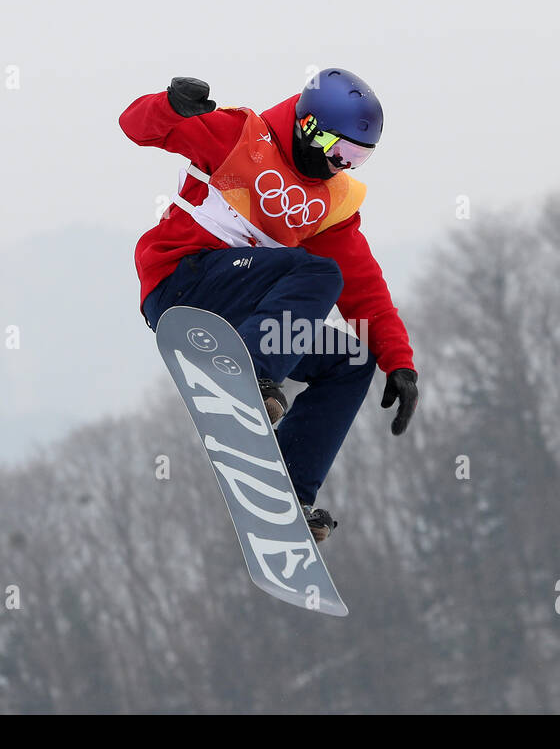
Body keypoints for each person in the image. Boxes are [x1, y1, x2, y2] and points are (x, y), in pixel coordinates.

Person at [121, 68, 418, 542]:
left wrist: (398, 361)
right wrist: (171, 105)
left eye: (359, 158)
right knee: (317, 272)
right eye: (341, 150)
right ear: (309, 128)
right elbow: (136, 126)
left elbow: (365, 288)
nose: (344, 165)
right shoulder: (239, 137)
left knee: (349, 362)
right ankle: (249, 375)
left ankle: (287, 493)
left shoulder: (331, 203)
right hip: (183, 280)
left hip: (245, 313)